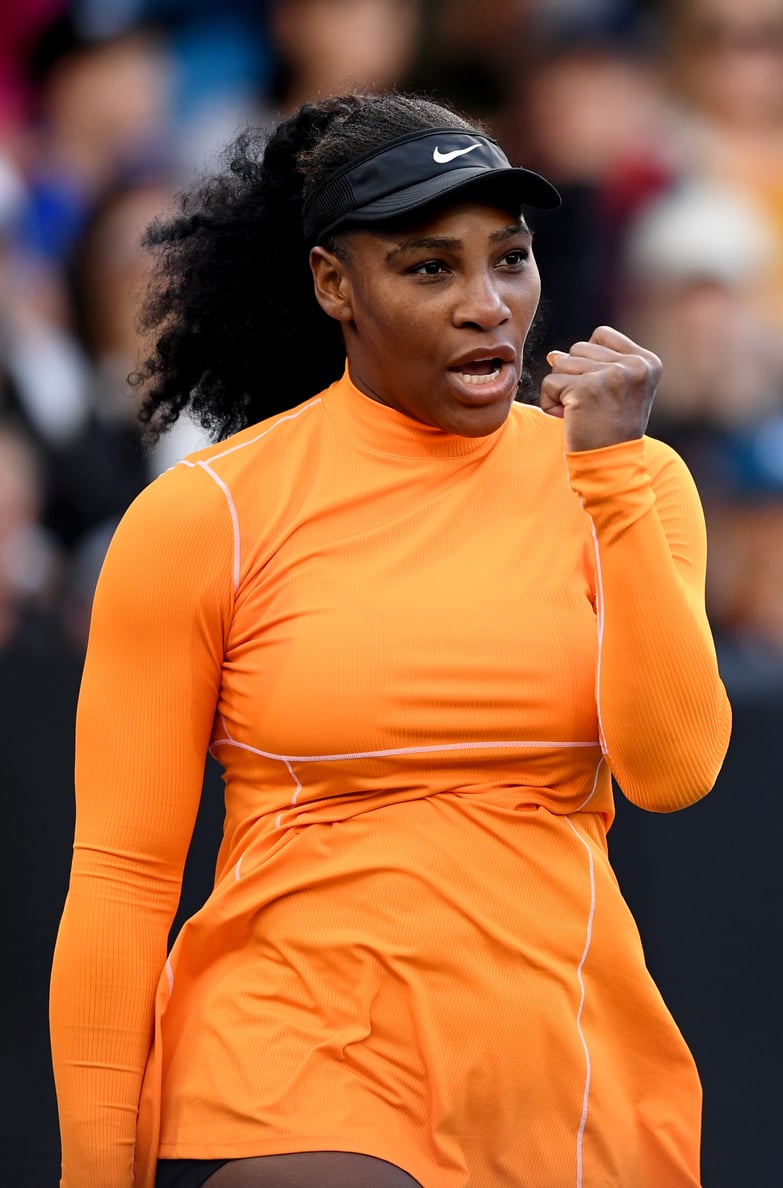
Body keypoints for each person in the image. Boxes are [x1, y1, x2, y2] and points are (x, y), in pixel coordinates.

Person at [49, 91, 732, 1188]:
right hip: (291, 1053)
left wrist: (607, 480)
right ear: (335, 285)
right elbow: (125, 876)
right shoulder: (206, 515)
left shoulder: (634, 482)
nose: (487, 305)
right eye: (429, 268)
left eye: (509, 260)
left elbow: (675, 770)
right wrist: (97, 1172)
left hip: (557, 1065)